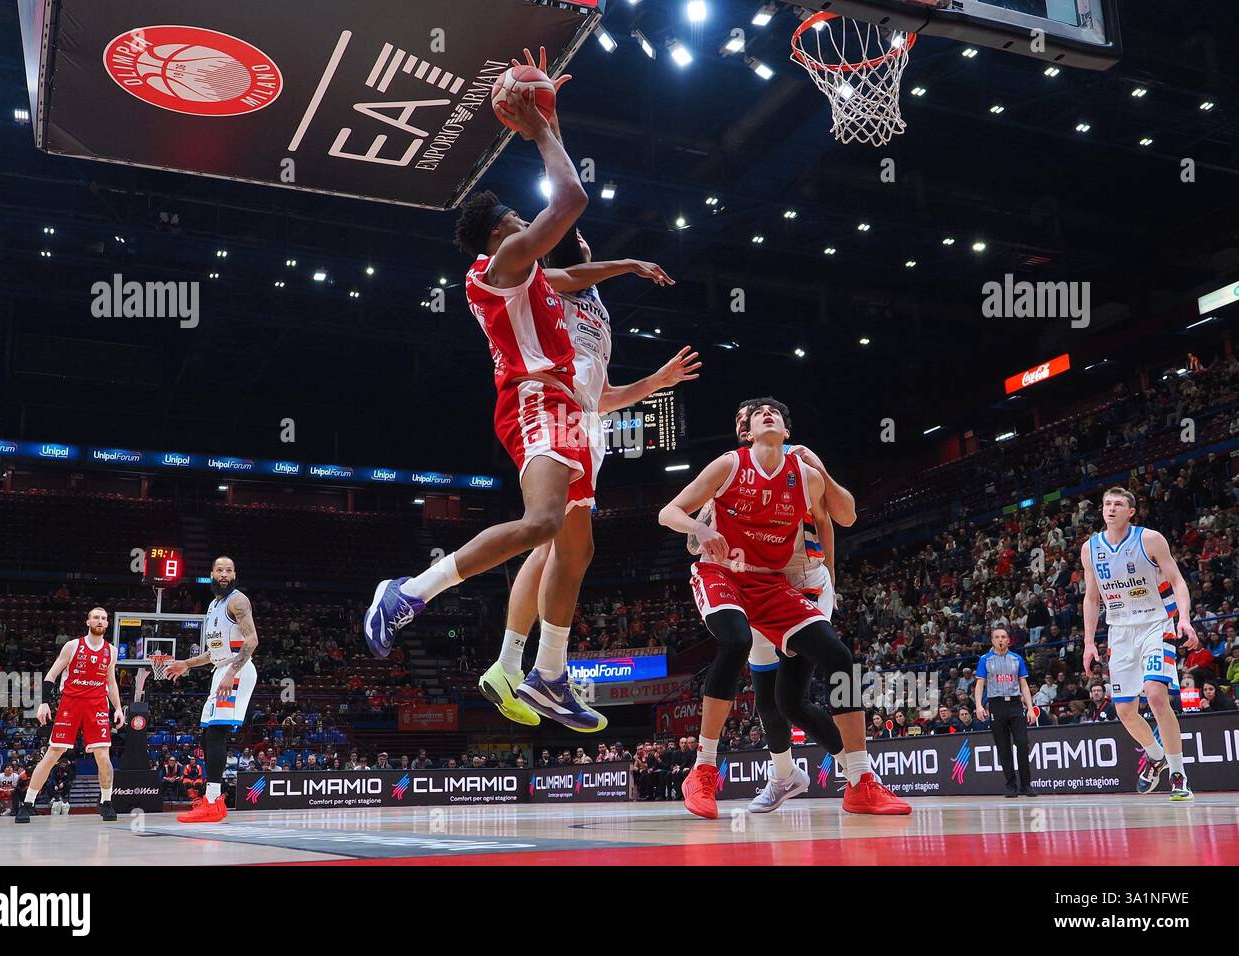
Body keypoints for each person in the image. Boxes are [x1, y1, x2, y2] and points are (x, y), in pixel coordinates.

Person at [362, 51, 606, 732]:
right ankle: (409, 592)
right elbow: (573, 200)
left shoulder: (521, 268)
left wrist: (544, 118)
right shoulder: (505, 261)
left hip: (562, 404)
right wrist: (542, 130)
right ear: (501, 229)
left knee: (577, 547)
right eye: (513, 216)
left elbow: (580, 254)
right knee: (545, 526)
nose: (524, 218)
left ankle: (549, 674)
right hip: (535, 400)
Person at [477, 218, 693, 729]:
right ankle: (521, 665)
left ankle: (512, 664)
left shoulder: (597, 307)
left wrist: (656, 381)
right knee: (552, 539)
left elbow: (606, 397)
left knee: (554, 544)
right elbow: (564, 227)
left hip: (585, 421)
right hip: (553, 411)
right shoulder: (545, 283)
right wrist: (553, 135)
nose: (586, 243)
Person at [660, 398, 908, 817]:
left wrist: (824, 472)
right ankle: (702, 770)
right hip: (723, 573)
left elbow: (844, 517)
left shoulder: (804, 475)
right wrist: (700, 528)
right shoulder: (729, 465)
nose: (768, 415)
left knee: (839, 657)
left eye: (774, 413)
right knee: (737, 643)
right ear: (747, 432)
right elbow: (668, 511)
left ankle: (861, 781)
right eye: (759, 415)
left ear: (787, 433)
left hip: (776, 584)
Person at [1083, 487, 1198, 800]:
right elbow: (1092, 598)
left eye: (1118, 504)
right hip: (1120, 632)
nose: (1111, 508)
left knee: (1157, 696)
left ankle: (1178, 775)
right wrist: (1088, 641)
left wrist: (1184, 618)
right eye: (1107, 503)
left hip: (1156, 624)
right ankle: (1156, 756)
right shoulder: (1090, 548)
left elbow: (1177, 581)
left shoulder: (1149, 539)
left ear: (1130, 511)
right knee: (1125, 710)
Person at [164, 557, 261, 823]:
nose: (224, 574)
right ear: (211, 574)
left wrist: (231, 672)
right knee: (207, 736)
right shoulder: (214, 605)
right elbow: (216, 652)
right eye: (220, 570)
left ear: (234, 574)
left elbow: (252, 640)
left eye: (229, 570)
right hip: (222, 669)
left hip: (236, 670)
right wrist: (187, 663)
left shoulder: (237, 601)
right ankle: (211, 798)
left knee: (217, 731)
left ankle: (213, 802)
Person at [17, 607, 124, 823]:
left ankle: (106, 802)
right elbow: (51, 675)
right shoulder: (73, 646)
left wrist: (119, 708)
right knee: (53, 753)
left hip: (97, 705)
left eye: (104, 618)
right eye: (96, 617)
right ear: (88, 622)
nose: (100, 621)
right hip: (71, 702)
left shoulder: (111, 651)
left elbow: (111, 682)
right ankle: (28, 803)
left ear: (107, 623)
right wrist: (44, 702)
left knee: (103, 756)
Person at [974, 626, 1038, 797]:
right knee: (1003, 748)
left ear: (1009, 640)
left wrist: (1030, 708)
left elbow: (1024, 685)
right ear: (992, 640)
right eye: (997, 637)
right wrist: (979, 705)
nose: (1000, 640)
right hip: (996, 705)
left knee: (1022, 743)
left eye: (1003, 636)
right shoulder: (985, 660)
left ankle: (1026, 785)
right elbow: (979, 685)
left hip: (1016, 705)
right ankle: (1011, 785)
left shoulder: (1017, 659)